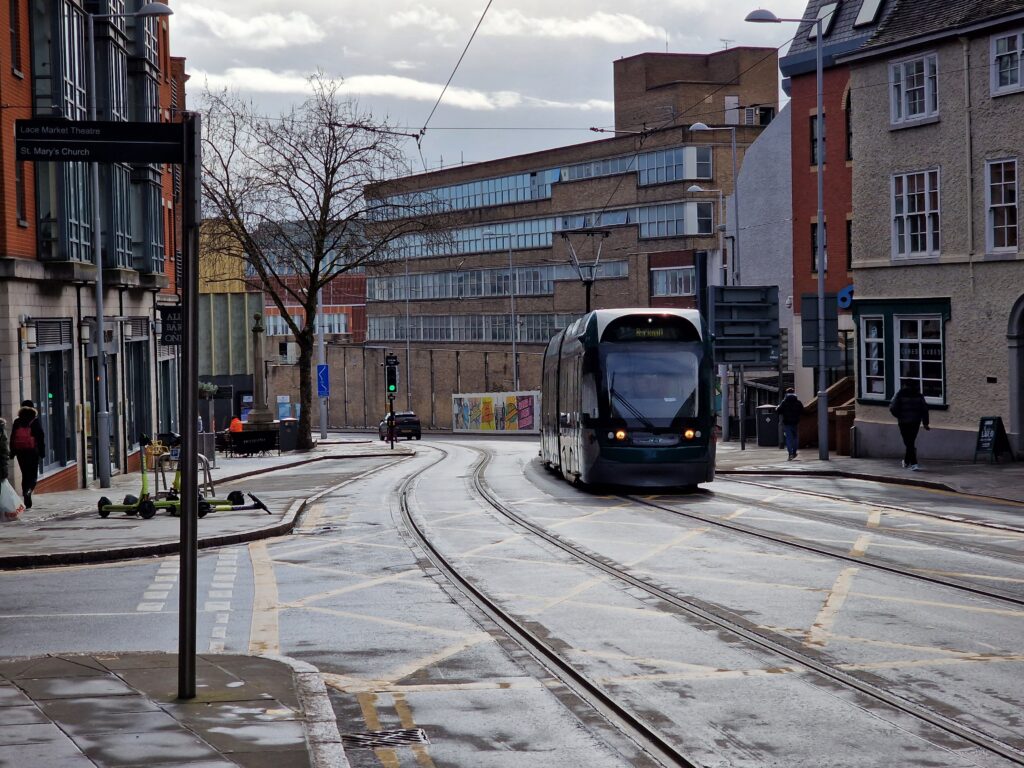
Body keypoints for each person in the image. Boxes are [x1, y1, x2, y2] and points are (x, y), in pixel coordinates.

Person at [10, 400, 45, 508]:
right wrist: (42, 452)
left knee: (25, 475)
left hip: (20, 452)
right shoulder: (35, 421)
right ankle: (28, 491)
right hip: (32, 452)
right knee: (33, 475)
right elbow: (40, 437)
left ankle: (26, 494)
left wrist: (13, 452)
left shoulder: (17, 421)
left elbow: (12, 437)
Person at [890, 381, 930, 470]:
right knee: (910, 441)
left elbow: (893, 408)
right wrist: (925, 423)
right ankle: (907, 461)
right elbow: (925, 409)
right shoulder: (919, 395)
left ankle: (914, 463)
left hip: (903, 422)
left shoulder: (900, 394)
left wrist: (899, 416)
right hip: (915, 422)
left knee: (908, 442)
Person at [776, 387, 804, 461]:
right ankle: (794, 452)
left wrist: (778, 407)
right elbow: (802, 411)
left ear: (786, 394)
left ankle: (790, 454)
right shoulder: (798, 402)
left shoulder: (784, 402)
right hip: (795, 422)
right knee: (795, 438)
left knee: (789, 438)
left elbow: (779, 411)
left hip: (787, 423)